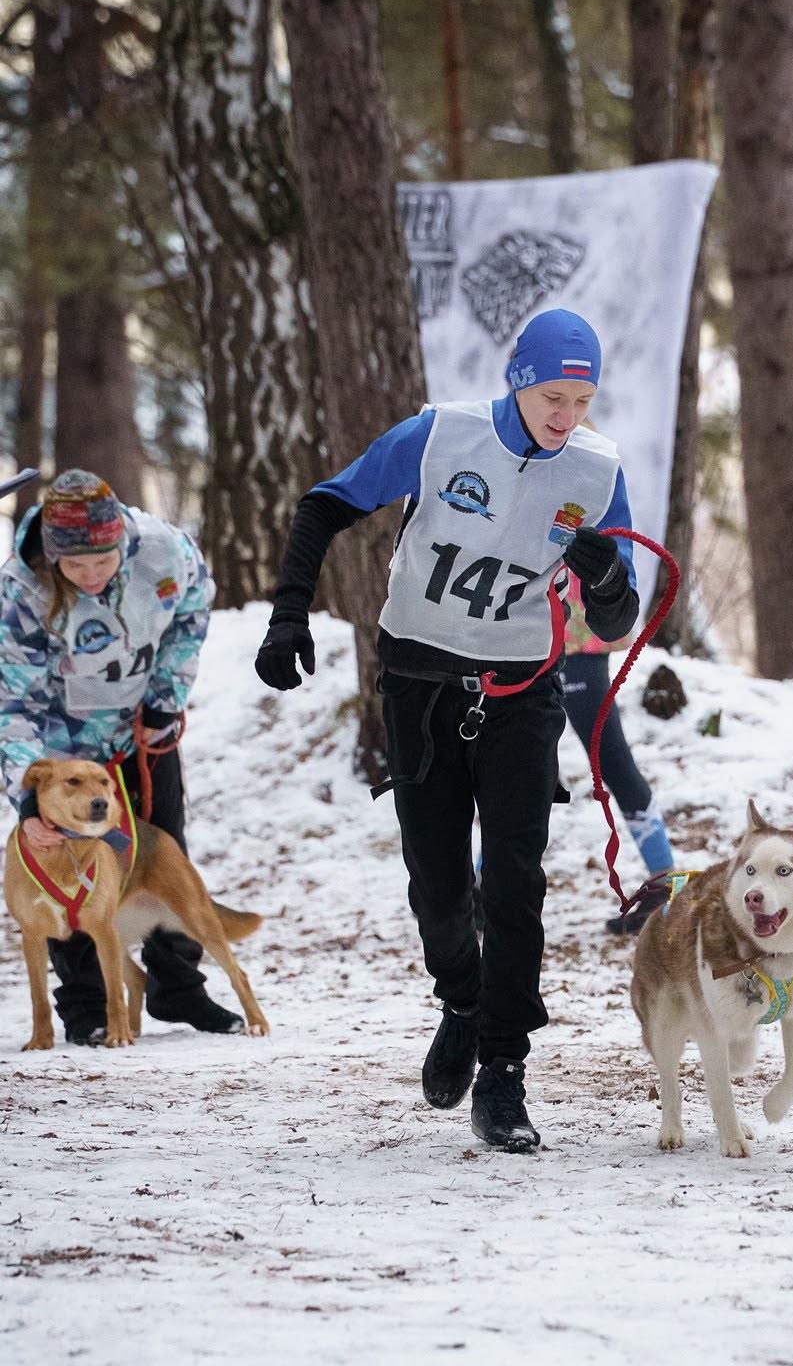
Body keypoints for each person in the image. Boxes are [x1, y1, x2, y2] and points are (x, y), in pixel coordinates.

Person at [255, 308, 640, 1153]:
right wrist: (289, 617)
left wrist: (605, 571)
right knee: (437, 882)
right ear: (516, 379)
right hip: (420, 682)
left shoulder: (597, 469)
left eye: (582, 399)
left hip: (520, 690)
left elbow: (620, 610)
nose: (567, 415)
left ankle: (504, 1069)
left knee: (514, 881)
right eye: (553, 395)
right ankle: (461, 1002)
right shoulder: (439, 436)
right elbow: (324, 504)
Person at [0, 468, 243, 1044]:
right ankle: (85, 1007)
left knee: (165, 850)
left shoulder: (166, 550)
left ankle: (178, 990)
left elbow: (191, 616)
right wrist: (28, 799)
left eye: (102, 562)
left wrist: (166, 700)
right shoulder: (22, 588)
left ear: (123, 544)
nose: (89, 576)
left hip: (142, 729)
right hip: (63, 741)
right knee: (70, 866)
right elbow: (14, 699)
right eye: (75, 566)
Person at [561, 570, 675, 934]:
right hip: (522, 629)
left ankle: (666, 889)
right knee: (517, 768)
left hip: (576, 632)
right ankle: (485, 888)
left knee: (612, 761)